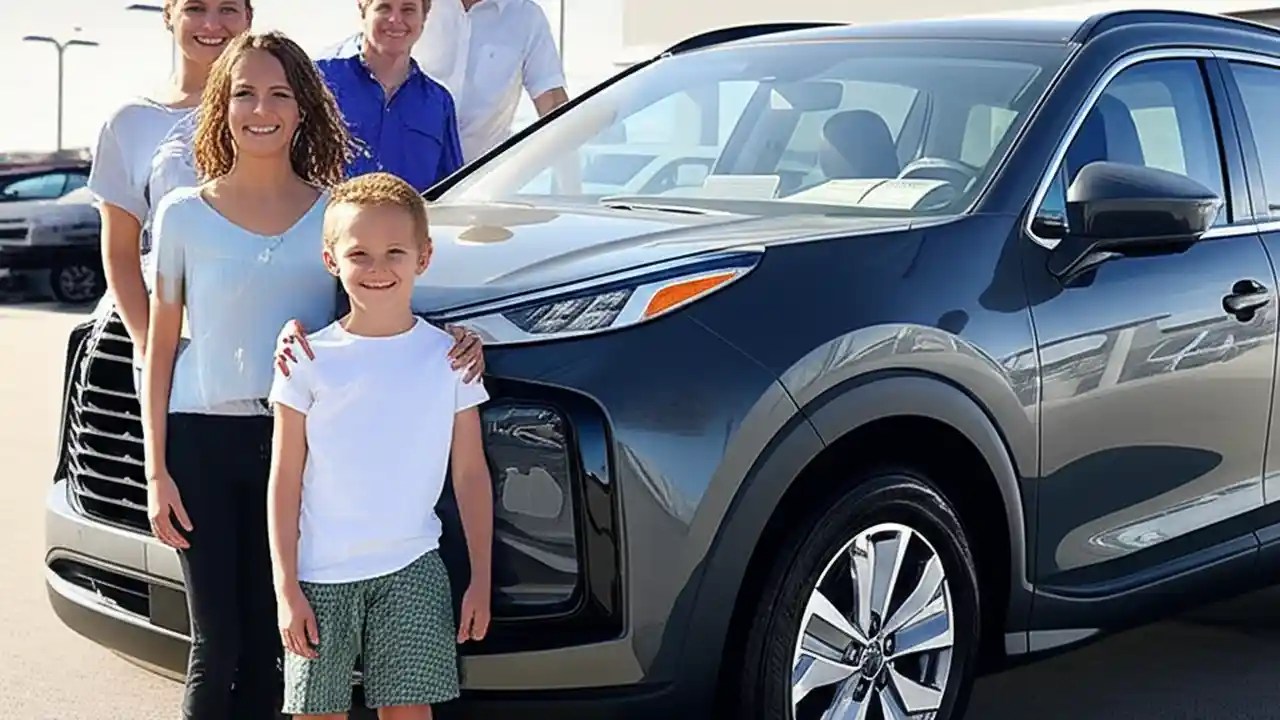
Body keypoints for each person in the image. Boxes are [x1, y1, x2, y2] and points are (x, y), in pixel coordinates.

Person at [140, 30, 483, 719]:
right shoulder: (181, 214)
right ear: (222, 105)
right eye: (243, 93)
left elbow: (374, 310)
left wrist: (462, 340)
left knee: (284, 640)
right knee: (216, 642)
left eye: (278, 94)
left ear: (303, 110)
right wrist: (156, 472)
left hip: (302, 443)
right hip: (201, 440)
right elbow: (160, 346)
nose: (260, 108)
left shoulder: (335, 213)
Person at [266, 172, 493, 720]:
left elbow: (469, 474)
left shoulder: (451, 360)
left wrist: (481, 580)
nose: (377, 268)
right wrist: (285, 589)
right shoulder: (306, 359)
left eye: (395, 252)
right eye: (359, 254)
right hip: (320, 575)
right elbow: (285, 478)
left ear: (425, 256)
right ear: (330, 259)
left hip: (414, 568)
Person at [90, 0, 253, 389]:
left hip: (257, 336)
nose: (212, 24)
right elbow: (120, 253)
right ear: (169, 16)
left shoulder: (281, 113)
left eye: (228, 9)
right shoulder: (129, 122)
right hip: (158, 333)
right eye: (196, 8)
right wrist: (154, 350)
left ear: (249, 18)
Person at [327, 0, 570, 163]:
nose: (397, 17)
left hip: (480, 188)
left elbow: (554, 108)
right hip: (406, 170)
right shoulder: (410, 7)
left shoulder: (526, 17)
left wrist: (569, 193)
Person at [314, 0, 464, 194]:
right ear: (363, 10)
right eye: (384, 7)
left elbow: (451, 191)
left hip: (407, 223)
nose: (395, 19)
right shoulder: (319, 81)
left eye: (408, 9)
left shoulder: (438, 103)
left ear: (424, 18)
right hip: (329, 222)